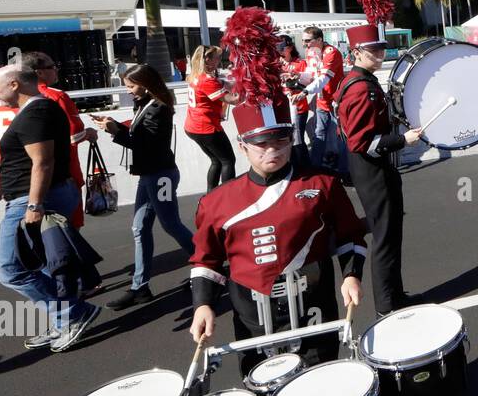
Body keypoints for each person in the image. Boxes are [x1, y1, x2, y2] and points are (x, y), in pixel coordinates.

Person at [188, 95, 367, 376]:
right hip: (254, 323)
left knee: (322, 390)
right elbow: (206, 262)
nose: (272, 150)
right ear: (242, 146)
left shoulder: (323, 184)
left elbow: (351, 236)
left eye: (281, 140)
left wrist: (351, 275)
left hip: (315, 315)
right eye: (261, 143)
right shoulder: (216, 202)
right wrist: (203, 305)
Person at [0, 65, 101, 351]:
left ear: (14, 85)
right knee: (42, 266)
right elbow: (22, 162)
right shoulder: (34, 112)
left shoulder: (36, 112)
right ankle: (65, 318)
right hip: (27, 195)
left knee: (11, 270)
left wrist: (34, 205)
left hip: (32, 200)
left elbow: (42, 162)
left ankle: (72, 314)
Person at [335, 19, 425, 315]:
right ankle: (387, 305)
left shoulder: (359, 81)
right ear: (357, 51)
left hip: (370, 168)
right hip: (372, 169)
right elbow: (360, 142)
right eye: (374, 49)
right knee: (385, 236)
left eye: (381, 48)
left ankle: (394, 295)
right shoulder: (362, 89)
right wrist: (402, 140)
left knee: (390, 232)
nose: (380, 53)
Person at [90, 64, 194, 309]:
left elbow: (147, 144)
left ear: (146, 83)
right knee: (140, 228)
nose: (129, 91)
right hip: (151, 175)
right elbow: (142, 137)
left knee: (171, 225)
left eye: (131, 86)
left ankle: (207, 264)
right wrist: (115, 126)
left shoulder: (157, 108)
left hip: (160, 176)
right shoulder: (148, 104)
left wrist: (115, 131)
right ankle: (140, 286)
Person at [184, 45, 238, 191]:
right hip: (206, 128)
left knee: (216, 161)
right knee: (228, 160)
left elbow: (221, 85)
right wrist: (246, 91)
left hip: (193, 127)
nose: (220, 60)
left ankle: (211, 195)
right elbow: (232, 100)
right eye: (217, 57)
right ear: (207, 59)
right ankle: (228, 196)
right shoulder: (207, 80)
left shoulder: (195, 75)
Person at [298, 27, 349, 178]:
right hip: (322, 101)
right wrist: (295, 76)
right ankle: (315, 169)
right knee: (318, 134)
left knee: (342, 137)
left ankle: (344, 171)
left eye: (308, 41)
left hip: (336, 102)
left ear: (319, 40)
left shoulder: (331, 52)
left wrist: (306, 91)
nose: (304, 44)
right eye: (303, 41)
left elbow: (323, 79)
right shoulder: (311, 53)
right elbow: (310, 75)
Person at [277, 35, 312, 163]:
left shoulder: (300, 63)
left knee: (298, 140)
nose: (279, 51)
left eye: (282, 48)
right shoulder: (276, 64)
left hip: (299, 107)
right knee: (287, 140)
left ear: (290, 48)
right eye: (277, 48)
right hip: (283, 108)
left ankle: (305, 167)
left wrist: (293, 80)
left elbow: (307, 83)